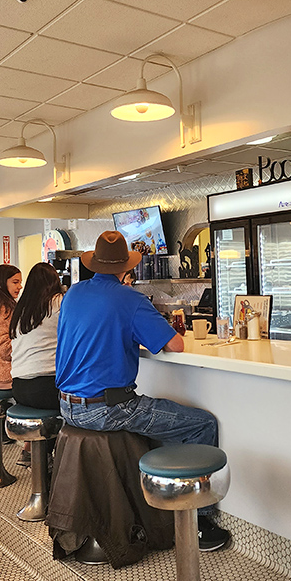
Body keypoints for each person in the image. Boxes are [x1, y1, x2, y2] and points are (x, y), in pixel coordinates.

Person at [56, 231, 230, 551]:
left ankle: (154, 507)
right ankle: (199, 521)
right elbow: (174, 344)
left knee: (161, 420)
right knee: (201, 424)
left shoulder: (73, 294)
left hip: (67, 406)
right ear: (126, 269)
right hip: (109, 408)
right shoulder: (130, 299)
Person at [10, 263, 63, 465]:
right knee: (77, 405)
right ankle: (52, 463)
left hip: (20, 387)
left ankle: (31, 451)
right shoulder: (58, 302)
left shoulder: (20, 309)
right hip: (46, 386)